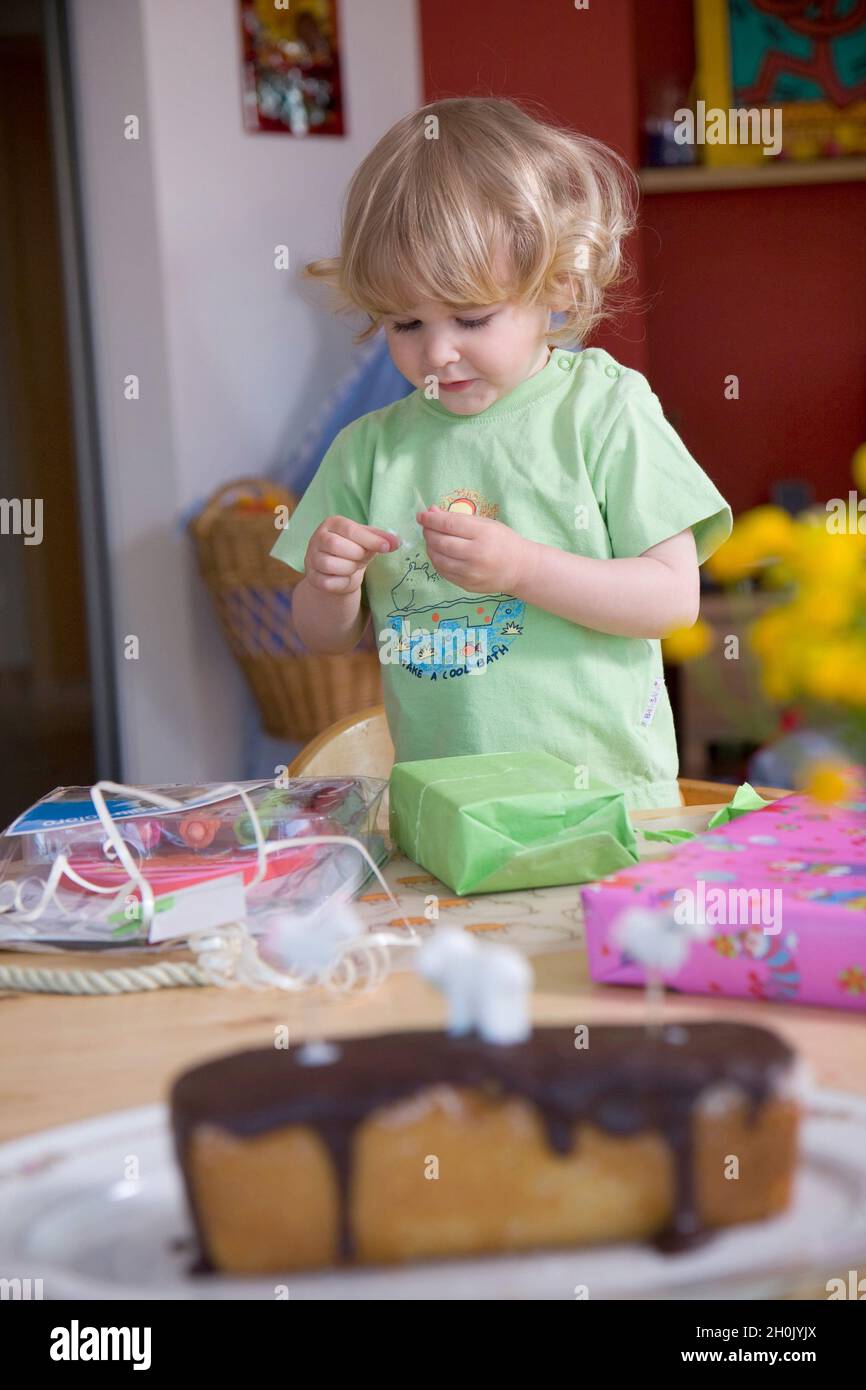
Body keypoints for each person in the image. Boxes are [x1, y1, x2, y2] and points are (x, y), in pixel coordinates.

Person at [270, 97, 732, 810]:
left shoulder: (606, 410)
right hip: (447, 817)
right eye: (406, 322)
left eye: (472, 317)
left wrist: (523, 568)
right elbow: (322, 640)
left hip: (609, 810)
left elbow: (671, 600)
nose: (438, 350)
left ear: (556, 290)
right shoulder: (369, 449)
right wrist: (329, 587)